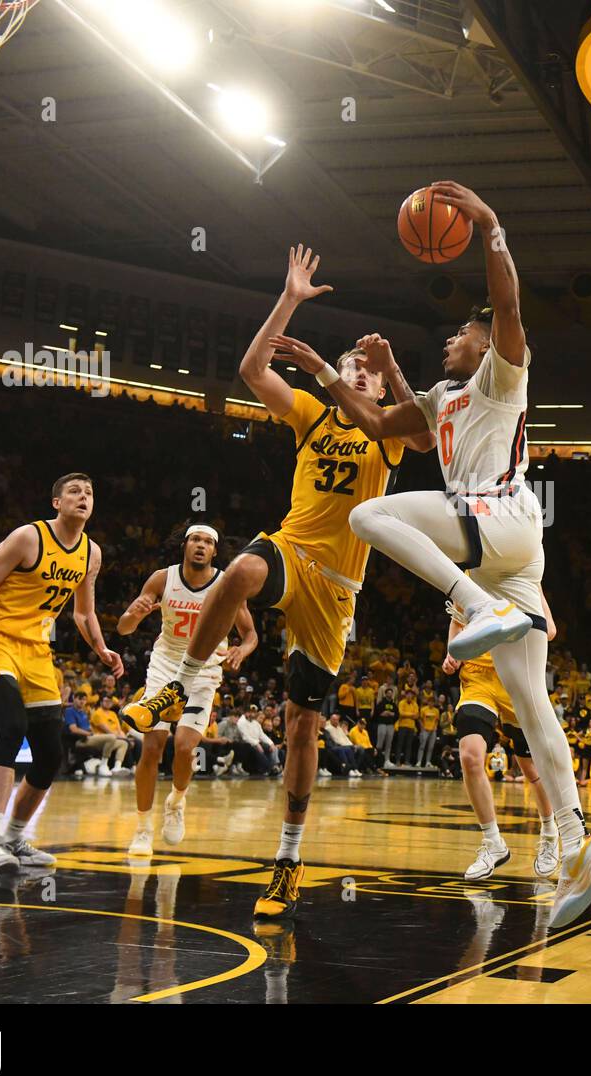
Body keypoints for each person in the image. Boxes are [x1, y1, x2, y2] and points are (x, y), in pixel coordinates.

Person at [271, 185, 591, 929]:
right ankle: (579, 839)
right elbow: (381, 421)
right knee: (532, 702)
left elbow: (509, 308)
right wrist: (330, 373)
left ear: (484, 345)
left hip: (502, 522)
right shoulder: (438, 396)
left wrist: (490, 225)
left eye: (461, 330)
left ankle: (477, 604)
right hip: (511, 554)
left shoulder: (500, 373)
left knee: (369, 514)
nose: (452, 337)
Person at [124, 245, 432, 921]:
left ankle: (288, 860)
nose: (350, 374)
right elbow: (250, 368)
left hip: (337, 587)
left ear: (372, 388)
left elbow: (426, 438)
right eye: (347, 367)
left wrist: (388, 368)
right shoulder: (312, 416)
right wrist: (289, 297)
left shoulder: (383, 432)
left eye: (360, 373)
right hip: (291, 549)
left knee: (300, 728)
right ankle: (176, 684)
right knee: (241, 568)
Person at [0, 473, 124, 880]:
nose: (83, 497)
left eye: (89, 492)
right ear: (56, 502)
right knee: (12, 727)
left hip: (37, 651)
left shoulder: (92, 553)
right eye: (74, 491)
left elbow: (83, 613)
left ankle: (15, 839)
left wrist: (101, 648)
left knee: (51, 754)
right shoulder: (27, 537)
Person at [118, 525, 257, 856]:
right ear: (185, 545)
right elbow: (123, 628)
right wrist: (133, 616)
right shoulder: (161, 579)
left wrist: (241, 650)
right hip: (165, 666)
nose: (201, 545)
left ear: (214, 552)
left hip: (204, 671)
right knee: (152, 747)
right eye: (196, 539)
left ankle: (177, 802)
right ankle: (142, 829)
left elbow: (250, 634)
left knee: (184, 747)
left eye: (208, 542)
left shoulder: (226, 584)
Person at [442, 591, 560, 879]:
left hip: (515, 679)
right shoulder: (466, 579)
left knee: (532, 770)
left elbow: (551, 630)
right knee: (470, 757)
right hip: (477, 681)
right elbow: (457, 622)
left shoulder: (523, 574)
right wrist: (452, 652)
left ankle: (549, 833)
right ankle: (493, 842)